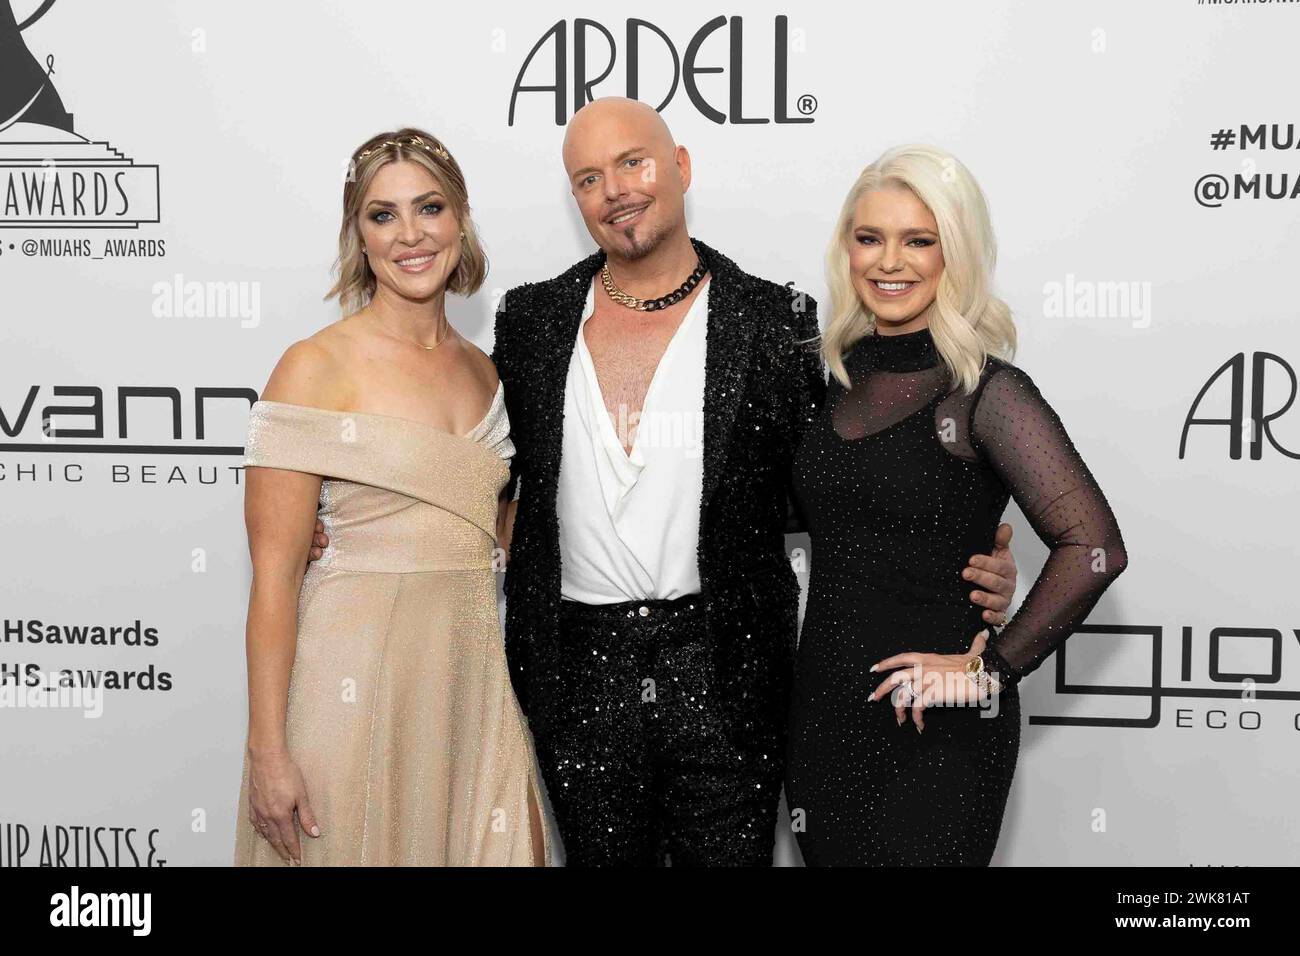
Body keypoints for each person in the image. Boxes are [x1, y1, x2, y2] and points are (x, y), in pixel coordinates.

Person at [308, 101, 1019, 866]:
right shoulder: (530, 321)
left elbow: (841, 482)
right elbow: (491, 478)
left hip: (729, 676)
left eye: (633, 163)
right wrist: (352, 519)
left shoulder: (776, 322)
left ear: (680, 166)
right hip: (577, 680)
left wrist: (966, 550)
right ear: (574, 197)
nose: (615, 189)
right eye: (588, 177)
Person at [785, 144, 1128, 866]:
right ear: (846, 250)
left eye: (919, 240)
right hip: (824, 720)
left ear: (956, 253)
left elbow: (1094, 547)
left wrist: (988, 671)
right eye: (869, 237)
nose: (890, 262)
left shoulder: (987, 394)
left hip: (937, 734)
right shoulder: (832, 386)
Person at [233, 128, 548, 866]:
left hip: (471, 689)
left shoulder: (488, 374)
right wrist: (268, 753)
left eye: (429, 207)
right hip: (350, 687)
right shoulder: (314, 367)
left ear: (460, 217)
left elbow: (498, 526)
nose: (410, 234)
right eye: (382, 215)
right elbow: (274, 582)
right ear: (358, 234)